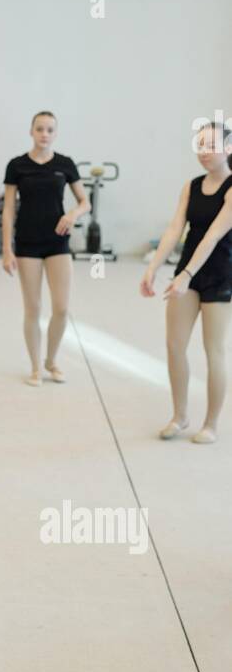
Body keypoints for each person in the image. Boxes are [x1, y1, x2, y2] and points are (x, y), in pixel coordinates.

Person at [140, 121, 232, 443]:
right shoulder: (191, 186)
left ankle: (211, 424)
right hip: (187, 272)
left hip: (219, 273)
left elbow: (213, 235)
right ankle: (179, 416)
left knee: (213, 350)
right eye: (200, 145)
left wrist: (186, 275)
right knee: (174, 345)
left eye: (211, 145)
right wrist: (153, 267)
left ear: (228, 149)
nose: (204, 152)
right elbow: (174, 229)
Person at [1, 112, 89, 386]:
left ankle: (52, 360)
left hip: (57, 242)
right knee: (33, 308)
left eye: (50, 129)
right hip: (27, 243)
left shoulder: (65, 164)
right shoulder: (17, 165)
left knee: (61, 308)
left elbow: (85, 202)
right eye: (39, 129)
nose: (44, 134)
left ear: (55, 133)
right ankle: (36, 367)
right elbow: (8, 209)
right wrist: (6, 249)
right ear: (31, 131)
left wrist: (72, 215)